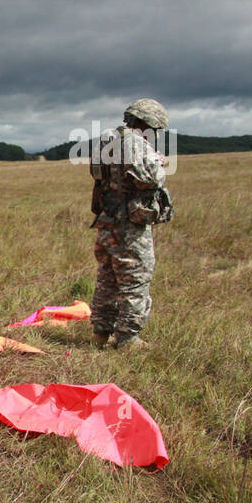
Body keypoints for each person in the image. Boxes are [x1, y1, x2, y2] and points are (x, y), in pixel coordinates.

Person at [88, 98, 173, 350]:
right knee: (135, 279)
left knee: (108, 277)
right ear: (147, 124)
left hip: (107, 221)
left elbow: (99, 174)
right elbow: (149, 179)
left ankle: (100, 333)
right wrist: (159, 163)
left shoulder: (107, 138)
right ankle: (127, 338)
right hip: (129, 225)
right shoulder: (136, 143)